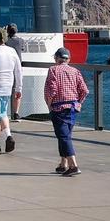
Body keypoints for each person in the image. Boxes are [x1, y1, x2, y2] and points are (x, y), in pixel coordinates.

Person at [44, 47, 88, 176]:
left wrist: (49, 104)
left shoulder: (53, 70)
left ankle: (73, 165)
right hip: (73, 107)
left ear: (56, 58)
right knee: (64, 135)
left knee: (63, 136)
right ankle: (63, 164)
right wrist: (79, 102)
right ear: (68, 59)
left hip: (58, 107)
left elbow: (52, 89)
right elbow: (84, 90)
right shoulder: (75, 71)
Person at [5, 23, 25, 122]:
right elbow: (22, 49)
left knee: (5, 90)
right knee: (18, 90)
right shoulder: (20, 41)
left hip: (7, 67)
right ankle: (16, 113)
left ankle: (3, 112)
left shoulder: (5, 41)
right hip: (18, 68)